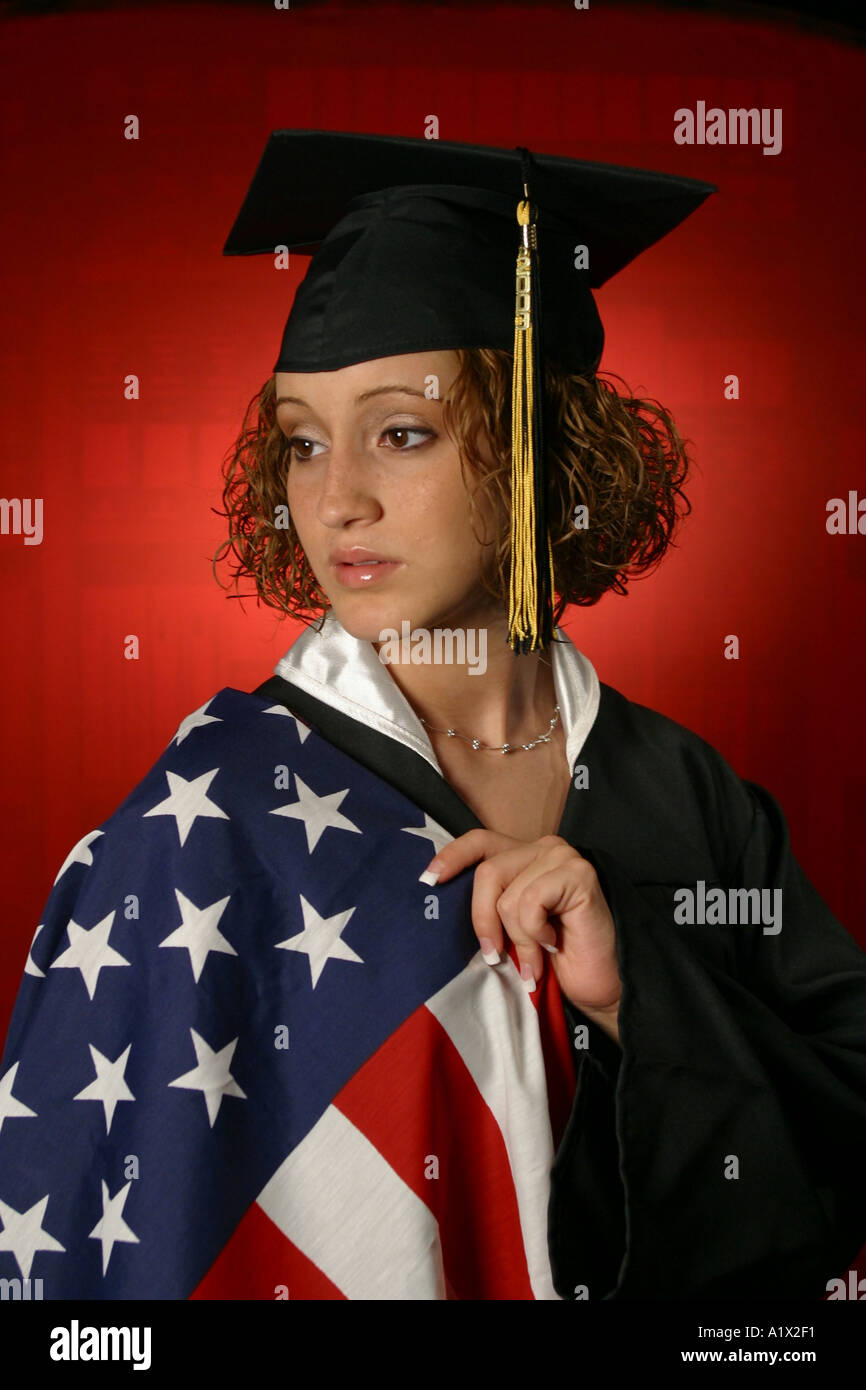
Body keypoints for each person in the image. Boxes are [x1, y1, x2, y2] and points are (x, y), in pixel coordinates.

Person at [0, 132, 864, 1302]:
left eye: (401, 430)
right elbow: (108, 1251)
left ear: (548, 454)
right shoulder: (206, 820)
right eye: (302, 441)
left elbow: (836, 1160)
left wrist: (630, 998)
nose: (335, 494)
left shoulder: (685, 789)